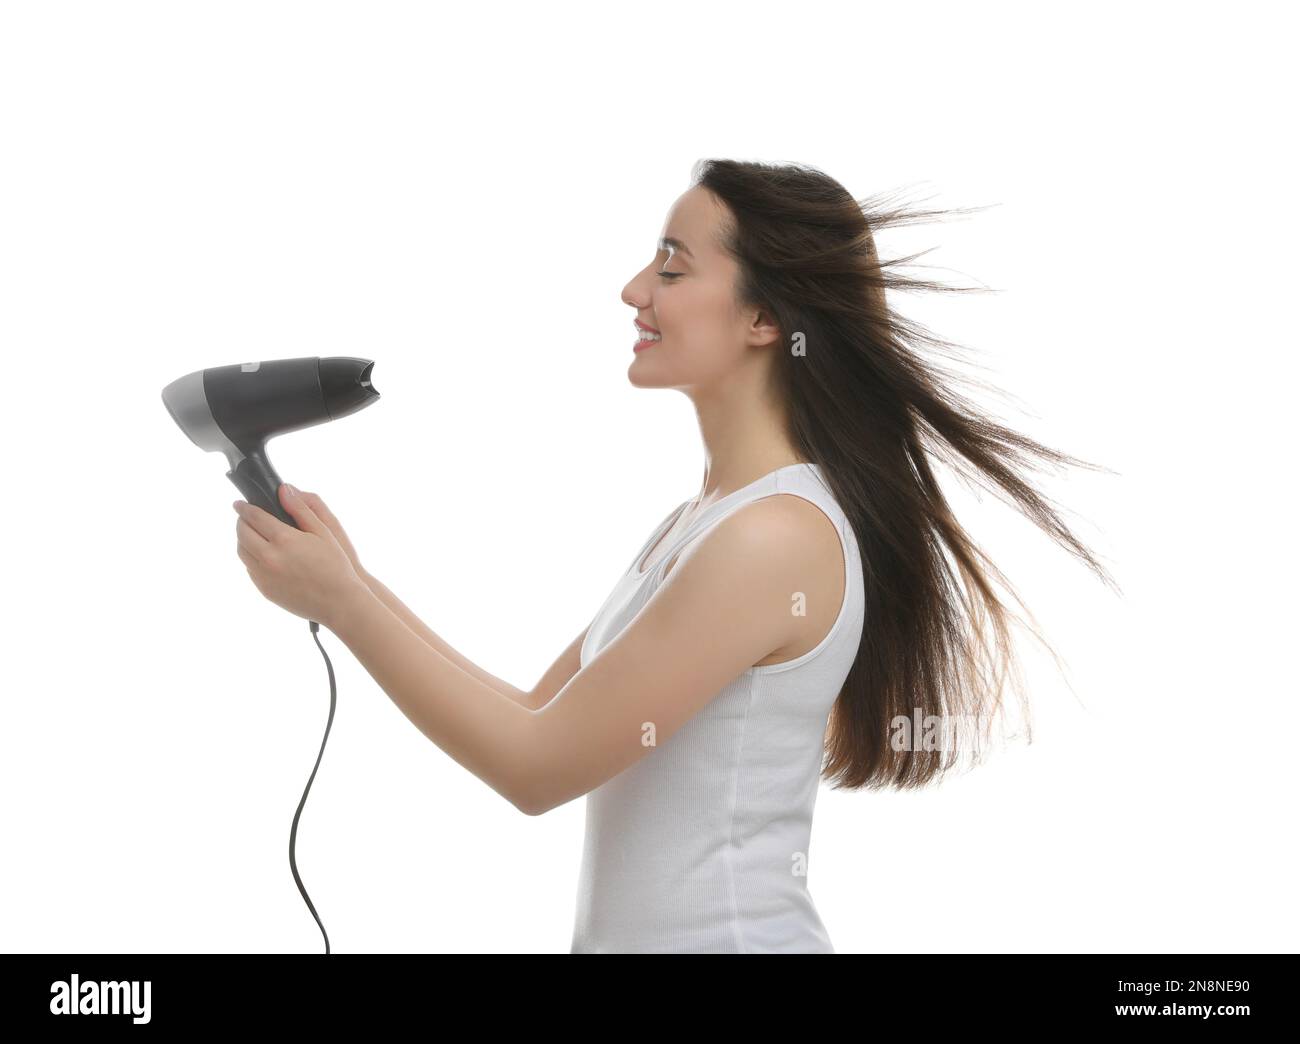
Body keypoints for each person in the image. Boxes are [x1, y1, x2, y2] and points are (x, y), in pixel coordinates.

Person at [241, 159, 1116, 953]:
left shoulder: (774, 540)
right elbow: (539, 712)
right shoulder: (701, 522)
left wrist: (347, 609)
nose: (634, 291)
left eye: (671, 267)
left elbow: (536, 770)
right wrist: (350, 587)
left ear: (768, 318)